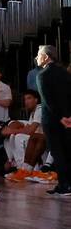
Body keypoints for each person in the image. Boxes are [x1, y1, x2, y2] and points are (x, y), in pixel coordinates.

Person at [33, 44, 71, 198]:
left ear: (47, 56)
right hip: (68, 119)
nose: (37, 57)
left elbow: (48, 101)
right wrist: (68, 117)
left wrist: (60, 117)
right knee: (67, 150)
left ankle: (64, 185)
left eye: (39, 54)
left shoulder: (42, 75)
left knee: (57, 152)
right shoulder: (65, 73)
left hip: (53, 119)